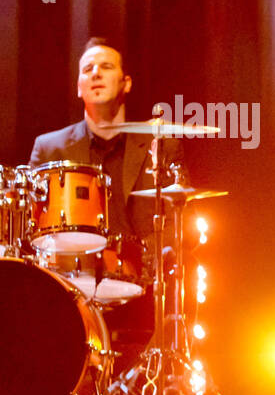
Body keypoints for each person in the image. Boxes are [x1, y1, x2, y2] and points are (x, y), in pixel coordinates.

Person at [30, 38, 184, 371]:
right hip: (71, 289)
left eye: (107, 66)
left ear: (126, 83)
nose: (96, 73)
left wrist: (148, 263)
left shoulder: (160, 143)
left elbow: (177, 222)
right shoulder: (50, 148)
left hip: (142, 288)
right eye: (88, 69)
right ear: (78, 88)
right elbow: (33, 228)